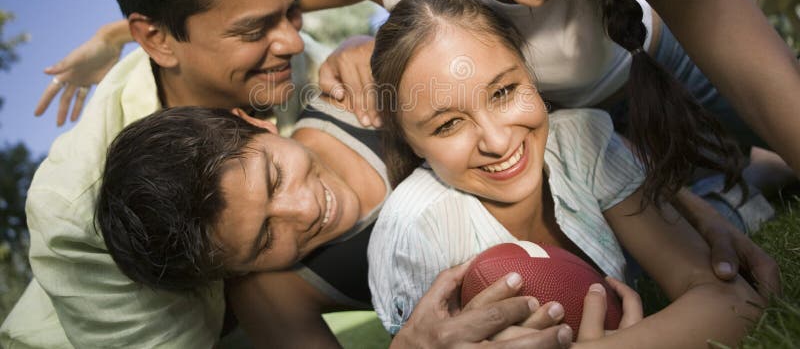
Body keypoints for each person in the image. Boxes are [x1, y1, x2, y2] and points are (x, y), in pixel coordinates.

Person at [35, 0, 789, 290]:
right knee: (746, 186)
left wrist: (367, 43)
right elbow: (253, 0)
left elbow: (772, 94)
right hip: (572, 125)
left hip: (655, 66)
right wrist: (121, 37)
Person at [1, 0, 544, 349]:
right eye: (256, 29)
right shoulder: (77, 213)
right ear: (157, 38)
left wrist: (364, 44)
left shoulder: (279, 69)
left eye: (292, 9)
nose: (293, 39)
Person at [367, 0, 763, 347]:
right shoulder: (414, 233)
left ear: (530, 72)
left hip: (635, 233)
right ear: (410, 142)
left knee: (734, 208)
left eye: (504, 92)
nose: (497, 142)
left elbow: (731, 299)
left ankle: (767, 168)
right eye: (448, 124)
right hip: (635, 246)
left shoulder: (580, 141)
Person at [96, 104, 575, 348]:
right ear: (234, 270)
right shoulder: (272, 296)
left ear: (257, 123)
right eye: (264, 238)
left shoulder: (358, 98)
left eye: (275, 177)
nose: (304, 210)